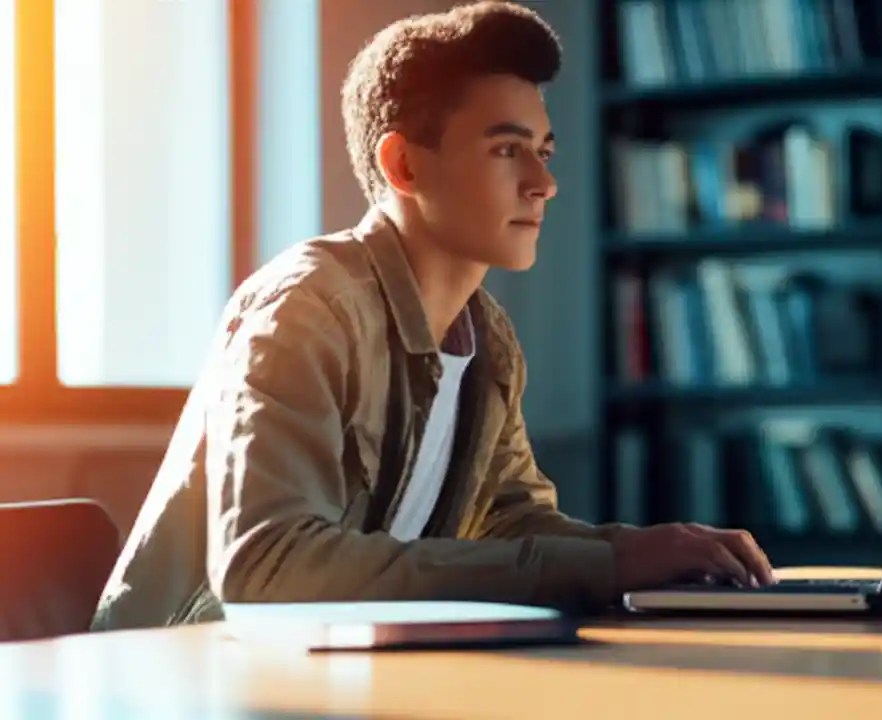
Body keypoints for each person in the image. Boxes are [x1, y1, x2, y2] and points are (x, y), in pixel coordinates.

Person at [93, 0, 773, 631]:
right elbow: (268, 568)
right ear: (404, 165)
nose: (544, 182)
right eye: (507, 149)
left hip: (331, 674)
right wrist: (602, 567)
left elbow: (509, 524)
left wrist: (646, 550)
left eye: (544, 151)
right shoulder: (310, 306)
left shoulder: (489, 340)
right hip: (184, 675)